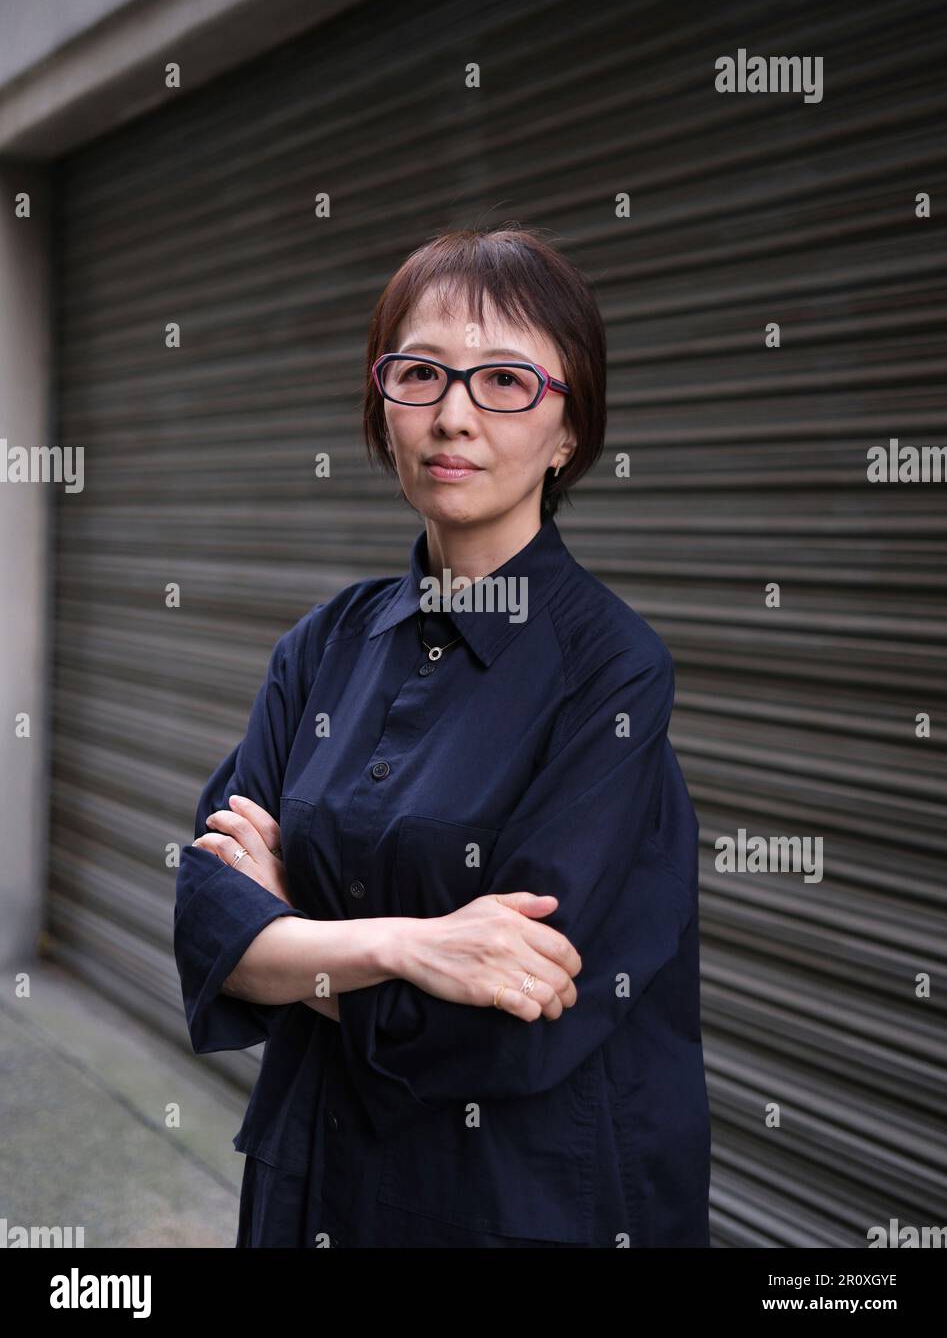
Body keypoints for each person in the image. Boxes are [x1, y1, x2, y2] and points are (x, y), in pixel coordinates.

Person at [172, 224, 711, 1248]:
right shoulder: (321, 646)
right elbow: (211, 923)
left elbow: (508, 1008)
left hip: (509, 1200)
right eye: (418, 373)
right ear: (382, 407)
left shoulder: (610, 671)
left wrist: (297, 936)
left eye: (504, 380)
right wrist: (408, 945)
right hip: (314, 1177)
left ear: (568, 432)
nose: (452, 414)